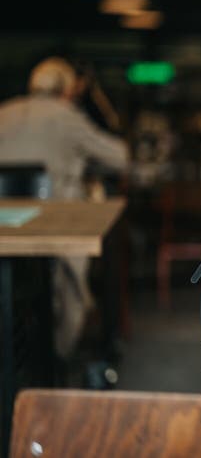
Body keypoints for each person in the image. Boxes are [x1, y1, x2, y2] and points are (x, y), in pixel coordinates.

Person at [0, 57, 129, 357]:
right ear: (69, 90)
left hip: (6, 230)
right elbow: (120, 157)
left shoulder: (4, 112)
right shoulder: (67, 116)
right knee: (74, 284)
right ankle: (57, 359)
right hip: (55, 234)